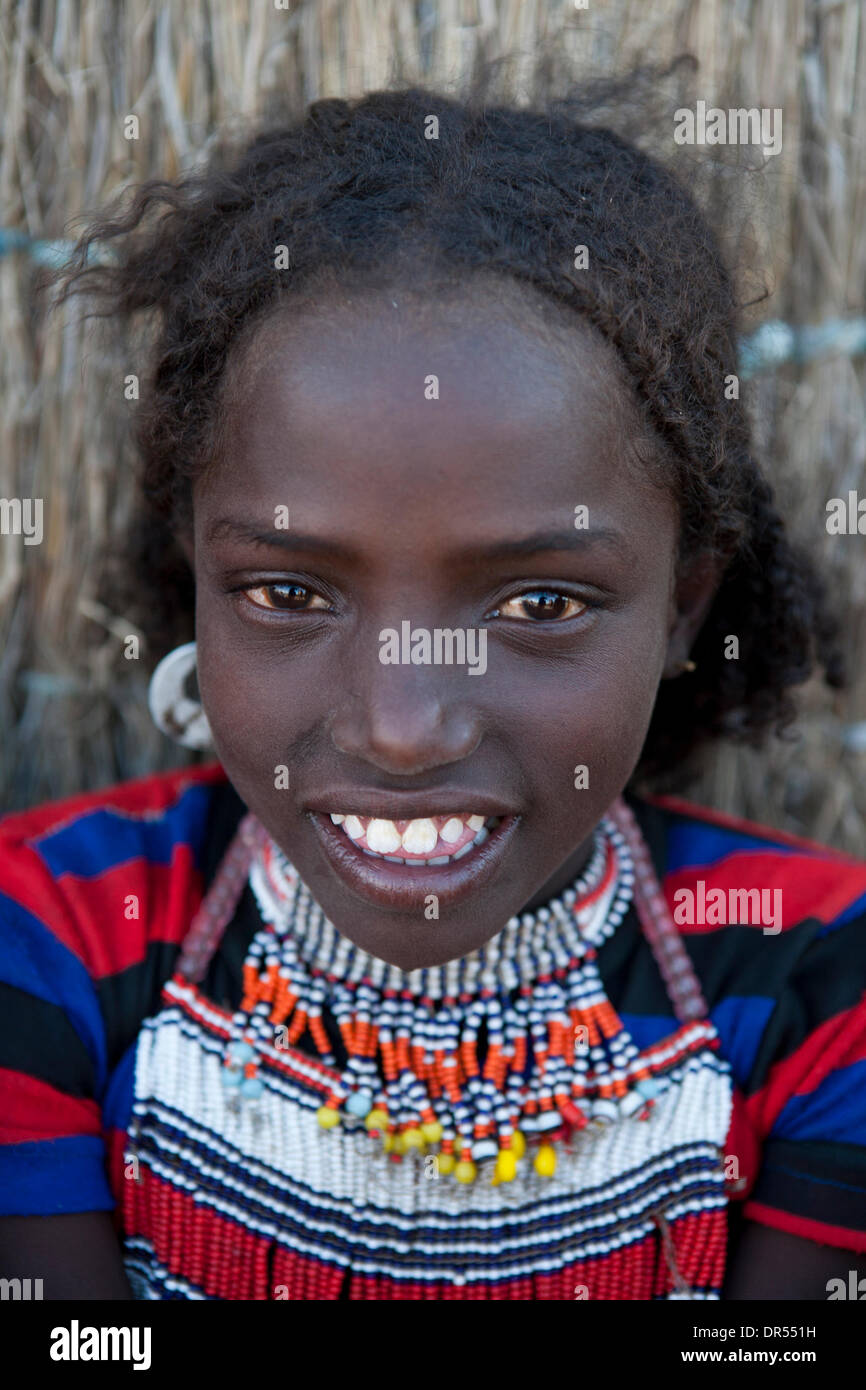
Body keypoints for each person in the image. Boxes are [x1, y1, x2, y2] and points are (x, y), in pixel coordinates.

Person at [1, 80, 865, 1302]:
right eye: (288, 593)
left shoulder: (824, 984)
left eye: (537, 605)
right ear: (197, 576)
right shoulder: (42, 941)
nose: (402, 729)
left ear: (680, 606)